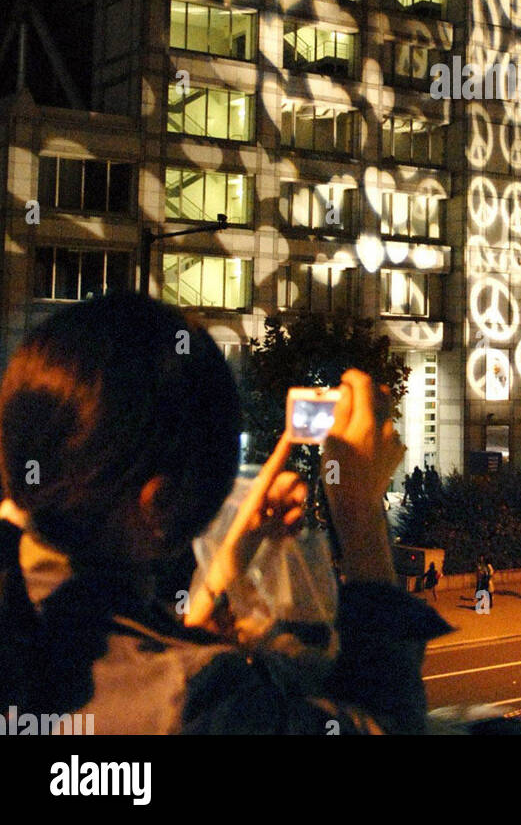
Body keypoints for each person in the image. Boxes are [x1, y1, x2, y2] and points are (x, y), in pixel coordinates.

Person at [0, 292, 450, 734]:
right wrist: (358, 512)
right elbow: (391, 726)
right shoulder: (198, 702)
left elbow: (126, 650)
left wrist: (227, 565)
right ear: (158, 504)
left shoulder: (27, 614)